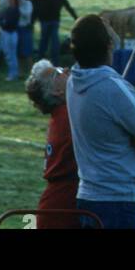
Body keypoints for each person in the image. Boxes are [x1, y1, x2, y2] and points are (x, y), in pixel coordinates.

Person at [67, 13, 135, 229]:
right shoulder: (113, 87)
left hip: (87, 197)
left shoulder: (72, 82)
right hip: (118, 201)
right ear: (109, 45)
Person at [26, 60, 79, 229]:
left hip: (57, 202)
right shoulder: (68, 115)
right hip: (63, 206)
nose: (65, 69)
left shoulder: (62, 115)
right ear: (56, 91)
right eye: (58, 72)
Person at [33, 0, 78, 66]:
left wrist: (34, 19)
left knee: (44, 40)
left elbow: (38, 7)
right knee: (54, 41)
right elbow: (68, 7)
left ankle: (40, 59)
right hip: (54, 20)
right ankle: (55, 62)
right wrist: (76, 18)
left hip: (44, 20)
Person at [0, 0, 21, 81]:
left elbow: (9, 23)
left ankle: (12, 74)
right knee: (11, 54)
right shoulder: (10, 9)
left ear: (14, 0)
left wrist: (2, 23)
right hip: (9, 33)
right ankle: (14, 73)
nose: (9, 1)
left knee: (10, 55)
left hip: (10, 33)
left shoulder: (14, 10)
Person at [17, 0, 35, 72]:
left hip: (26, 28)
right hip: (18, 28)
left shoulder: (28, 4)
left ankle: (32, 70)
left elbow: (27, 15)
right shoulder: (17, 4)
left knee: (28, 50)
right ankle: (20, 70)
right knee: (19, 51)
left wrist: (20, 7)